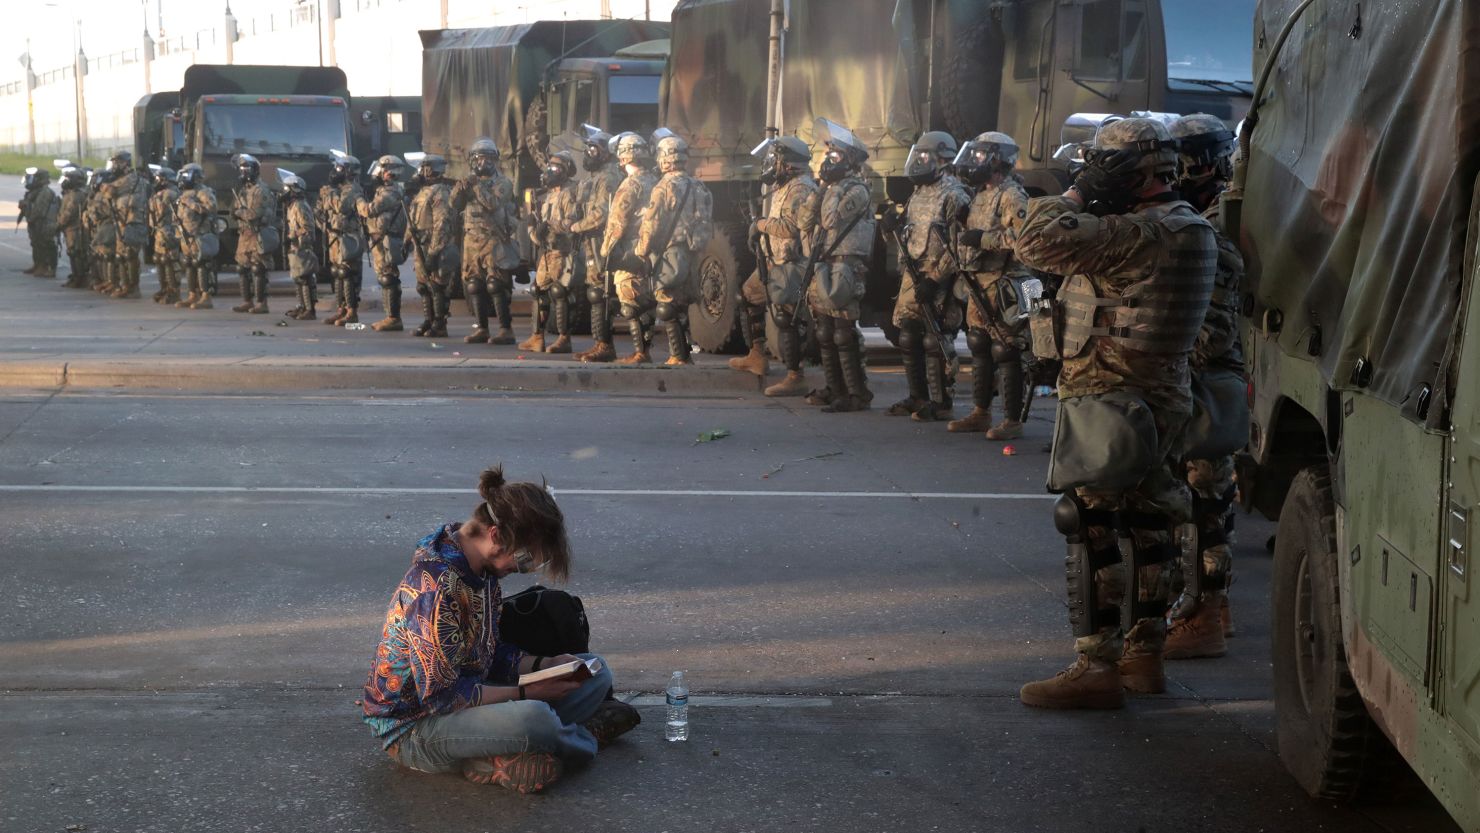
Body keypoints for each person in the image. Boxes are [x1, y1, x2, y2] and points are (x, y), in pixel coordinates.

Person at [1013, 117, 1216, 709]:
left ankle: (1096, 663)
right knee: (1151, 526)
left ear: (1127, 170)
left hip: (1110, 395)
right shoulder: (1193, 227)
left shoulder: (1137, 232)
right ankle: (1143, 656)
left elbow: (1034, 239)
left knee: (1092, 525)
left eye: (1103, 165)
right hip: (1163, 394)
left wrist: (1077, 193)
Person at [362, 466, 641, 793]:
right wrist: (528, 693)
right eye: (524, 561)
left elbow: (489, 653)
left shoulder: (482, 572)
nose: (521, 570)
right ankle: (577, 741)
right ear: (495, 535)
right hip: (416, 728)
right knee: (535, 719)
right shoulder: (435, 591)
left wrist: (544, 666)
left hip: (470, 698)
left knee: (596, 673)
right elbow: (442, 698)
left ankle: (516, 750)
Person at [1164, 112, 1244, 659]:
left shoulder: (1213, 222)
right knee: (1197, 499)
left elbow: (1209, 330)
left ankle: (1206, 614)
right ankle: (1206, 606)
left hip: (1205, 380)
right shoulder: (1202, 213)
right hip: (1199, 380)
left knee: (1203, 501)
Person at [881, 131, 972, 421]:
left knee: (937, 338)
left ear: (943, 159)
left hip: (940, 276)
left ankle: (942, 401)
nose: (918, 163)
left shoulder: (955, 194)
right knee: (908, 333)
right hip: (914, 270)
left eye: (924, 156)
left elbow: (959, 246)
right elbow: (908, 234)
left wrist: (935, 279)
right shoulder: (918, 193)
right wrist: (890, 226)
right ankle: (917, 396)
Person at [947, 132, 1032, 440]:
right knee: (979, 344)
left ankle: (1012, 420)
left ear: (998, 160)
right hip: (979, 282)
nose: (975, 162)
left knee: (1007, 349)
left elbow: (1024, 240)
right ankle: (981, 413)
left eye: (982, 156)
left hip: (1005, 283)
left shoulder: (1012, 195)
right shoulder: (980, 194)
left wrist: (984, 239)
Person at [731, 136, 819, 393]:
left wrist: (759, 225)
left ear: (788, 164)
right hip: (773, 262)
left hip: (791, 264)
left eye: (776, 160)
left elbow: (790, 228)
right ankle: (757, 356)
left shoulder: (801, 188)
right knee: (747, 296)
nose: (772, 164)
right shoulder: (786, 186)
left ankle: (795, 376)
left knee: (787, 319)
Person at [806, 119, 877, 412]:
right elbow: (804, 220)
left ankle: (857, 394)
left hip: (847, 265)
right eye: (827, 156)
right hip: (826, 262)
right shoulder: (830, 188)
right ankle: (835, 388)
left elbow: (832, 220)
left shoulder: (856, 190)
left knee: (843, 332)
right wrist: (821, 187)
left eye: (834, 157)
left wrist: (827, 189)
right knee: (824, 329)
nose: (827, 161)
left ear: (848, 161)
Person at [635, 133, 714, 366]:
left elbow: (651, 223)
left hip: (671, 251)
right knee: (682, 303)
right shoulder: (699, 186)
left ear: (664, 159)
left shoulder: (663, 187)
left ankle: (678, 355)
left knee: (666, 303)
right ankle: (684, 353)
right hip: (694, 252)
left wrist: (641, 251)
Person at [451, 138, 521, 345]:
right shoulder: (469, 181)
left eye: (489, 159)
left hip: (494, 240)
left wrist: (476, 186)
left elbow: (493, 204)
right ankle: (482, 328)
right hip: (471, 241)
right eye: (480, 158)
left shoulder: (503, 183)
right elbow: (454, 205)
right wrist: (460, 189)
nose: (484, 163)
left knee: (495, 285)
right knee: (474, 285)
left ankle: (505, 329)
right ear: (473, 161)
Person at [600, 132, 660, 364]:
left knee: (630, 302)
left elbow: (618, 222)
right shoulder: (654, 181)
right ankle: (645, 349)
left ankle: (640, 352)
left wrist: (606, 252)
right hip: (652, 249)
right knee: (647, 301)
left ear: (623, 158)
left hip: (629, 250)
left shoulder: (629, 185)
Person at [571, 126, 625, 362]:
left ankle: (605, 345)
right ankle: (600, 343)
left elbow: (602, 214)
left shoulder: (609, 177)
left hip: (603, 240)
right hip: (593, 240)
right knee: (596, 291)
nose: (588, 154)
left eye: (593, 149)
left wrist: (575, 227)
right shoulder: (595, 178)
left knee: (601, 292)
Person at [525, 150, 580, 354]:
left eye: (555, 168)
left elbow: (572, 222)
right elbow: (539, 233)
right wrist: (533, 227)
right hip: (548, 252)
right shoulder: (550, 194)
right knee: (538, 291)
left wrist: (550, 225)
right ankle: (537, 337)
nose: (550, 171)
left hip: (563, 251)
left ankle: (564, 338)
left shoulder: (569, 193)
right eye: (549, 167)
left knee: (560, 292)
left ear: (565, 171)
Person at [404, 153, 458, 338]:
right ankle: (428, 319)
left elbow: (441, 224)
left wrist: (434, 252)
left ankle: (439, 323)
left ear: (429, 170)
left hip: (435, 245)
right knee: (423, 285)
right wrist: (406, 241)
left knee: (437, 285)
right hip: (421, 244)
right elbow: (412, 219)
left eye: (423, 169)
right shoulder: (422, 192)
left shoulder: (441, 192)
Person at [321, 153, 368, 326]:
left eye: (340, 168)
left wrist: (330, 193)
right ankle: (340, 310)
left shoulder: (352, 189)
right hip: (335, 237)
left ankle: (351, 312)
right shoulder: (338, 189)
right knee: (337, 273)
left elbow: (341, 207)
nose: (336, 171)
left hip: (349, 237)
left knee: (348, 273)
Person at [364, 155, 409, 332]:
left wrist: (359, 202)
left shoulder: (390, 192)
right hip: (382, 239)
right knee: (384, 278)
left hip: (388, 239)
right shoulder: (384, 190)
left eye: (381, 170)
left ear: (388, 172)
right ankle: (389, 316)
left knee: (388, 277)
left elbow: (371, 210)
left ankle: (393, 318)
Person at [231, 154, 278, 315]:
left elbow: (254, 213)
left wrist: (239, 212)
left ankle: (261, 303)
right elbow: (237, 209)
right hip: (244, 235)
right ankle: (247, 301)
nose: (243, 173)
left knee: (259, 269)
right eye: (241, 169)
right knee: (242, 268)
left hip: (258, 234)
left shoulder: (261, 190)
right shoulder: (244, 190)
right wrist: (236, 211)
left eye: (246, 169)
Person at [104, 151, 150, 299]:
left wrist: (106, 185)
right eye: (114, 162)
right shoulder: (121, 179)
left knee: (130, 256)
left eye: (118, 162)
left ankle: (133, 287)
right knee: (121, 256)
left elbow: (109, 192)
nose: (115, 166)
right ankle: (125, 286)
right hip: (121, 223)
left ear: (126, 163)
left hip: (132, 223)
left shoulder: (130, 179)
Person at [175, 164, 219, 310]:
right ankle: (192, 295)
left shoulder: (203, 192)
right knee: (188, 264)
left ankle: (206, 296)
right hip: (186, 235)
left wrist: (192, 204)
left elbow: (211, 208)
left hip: (200, 234)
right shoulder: (185, 193)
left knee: (202, 264)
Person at [279, 171, 321, 320]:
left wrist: (293, 235)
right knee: (298, 277)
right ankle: (302, 306)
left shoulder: (300, 206)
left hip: (303, 245)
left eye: (287, 189)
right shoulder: (292, 206)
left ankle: (310, 309)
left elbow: (308, 227)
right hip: (296, 245)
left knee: (305, 277)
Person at [147, 166, 183, 304]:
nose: (156, 181)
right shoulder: (160, 194)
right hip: (160, 232)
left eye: (158, 179)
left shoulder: (171, 194)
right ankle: (165, 288)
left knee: (170, 262)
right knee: (160, 260)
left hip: (169, 232)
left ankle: (174, 291)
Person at [18, 166, 59, 278]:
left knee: (46, 245)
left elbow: (39, 210)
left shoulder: (45, 192)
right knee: (36, 244)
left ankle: (49, 267)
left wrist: (30, 215)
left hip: (44, 223)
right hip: (36, 223)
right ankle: (38, 265)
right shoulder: (35, 191)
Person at [84, 168, 117, 293]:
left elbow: (109, 211)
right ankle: (104, 280)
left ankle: (112, 281)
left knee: (109, 255)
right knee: (100, 255)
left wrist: (96, 211)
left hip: (107, 226)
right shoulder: (96, 193)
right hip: (97, 226)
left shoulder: (107, 194)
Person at [57, 166, 90, 289]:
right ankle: (76, 276)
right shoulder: (71, 193)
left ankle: (80, 277)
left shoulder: (77, 195)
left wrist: (59, 224)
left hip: (77, 229)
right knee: (72, 253)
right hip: (71, 229)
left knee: (78, 253)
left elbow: (69, 213)